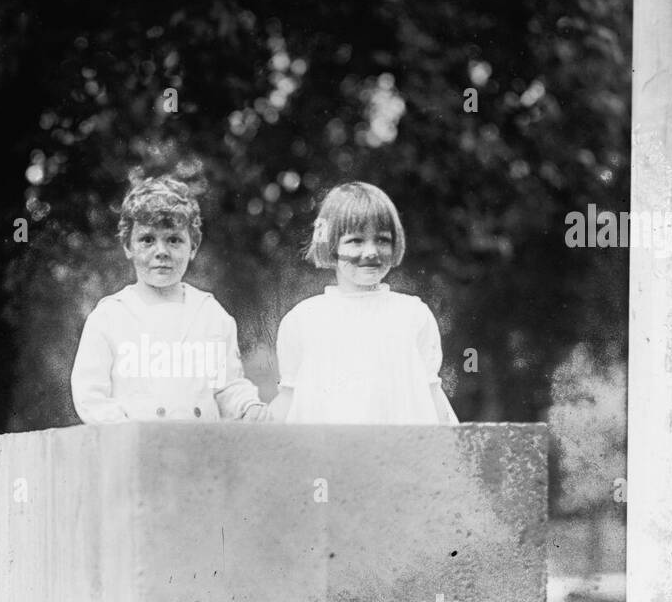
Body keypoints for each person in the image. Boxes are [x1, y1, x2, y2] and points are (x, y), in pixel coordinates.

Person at [71, 176, 266, 424]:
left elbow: (226, 387)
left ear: (193, 246)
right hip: (136, 451)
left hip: (200, 448)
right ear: (128, 246)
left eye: (174, 239)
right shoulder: (109, 317)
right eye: (147, 240)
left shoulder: (210, 314)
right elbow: (91, 396)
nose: (161, 252)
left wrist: (247, 406)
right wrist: (128, 434)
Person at [268, 181, 459, 425]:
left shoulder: (412, 315)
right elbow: (289, 398)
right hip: (330, 455)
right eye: (356, 241)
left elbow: (431, 393)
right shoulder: (303, 319)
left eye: (381, 240)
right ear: (331, 245)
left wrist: (458, 451)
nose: (370, 252)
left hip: (397, 454)